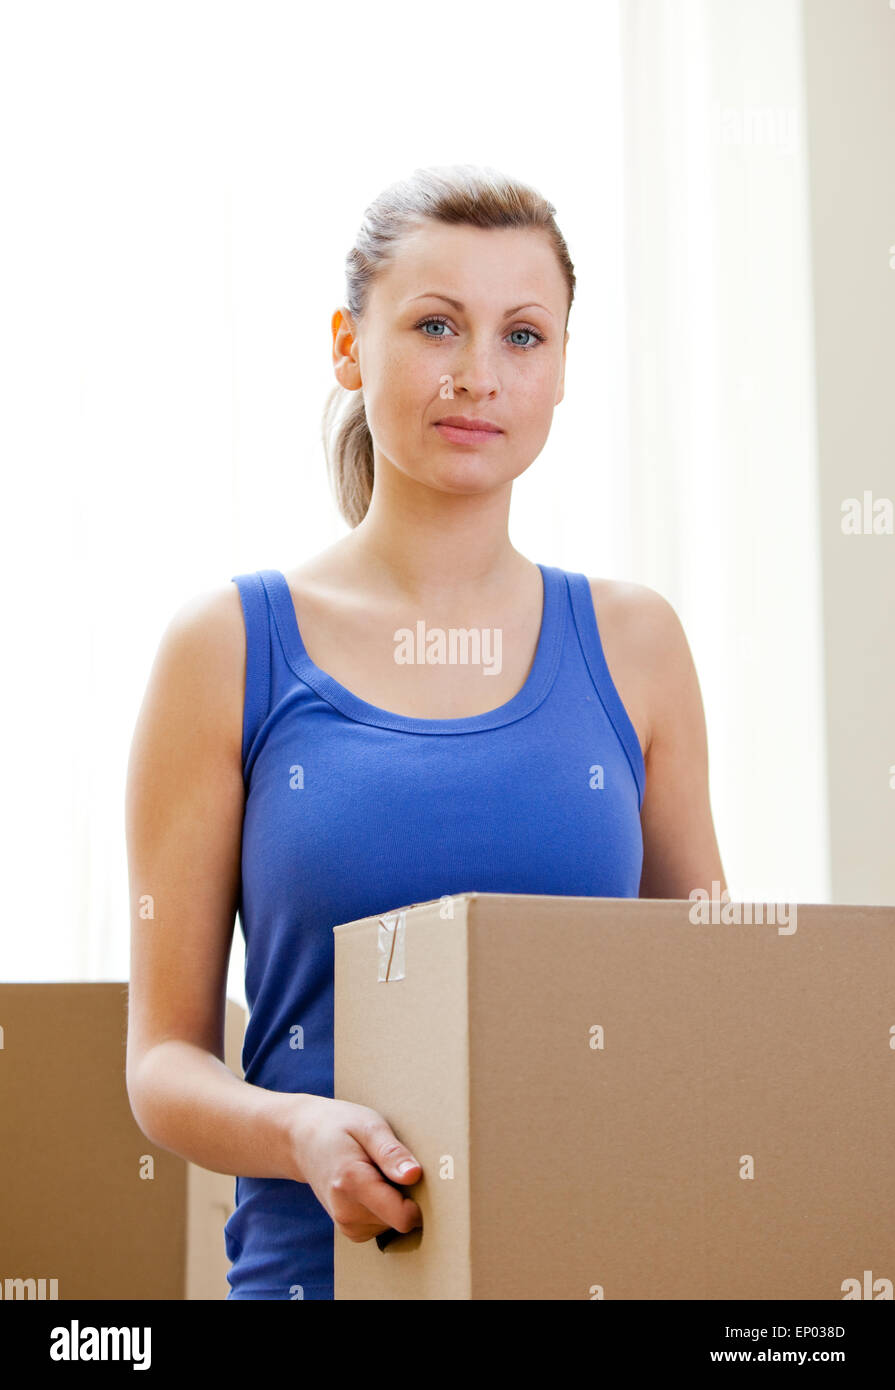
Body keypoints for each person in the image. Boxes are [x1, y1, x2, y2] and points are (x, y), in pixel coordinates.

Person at [124, 164, 727, 1300]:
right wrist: (303, 1132)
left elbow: (706, 999)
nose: (477, 376)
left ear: (560, 370)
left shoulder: (637, 644)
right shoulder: (227, 647)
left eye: (523, 336)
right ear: (349, 348)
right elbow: (163, 1064)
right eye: (436, 325)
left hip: (590, 1273)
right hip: (326, 1278)